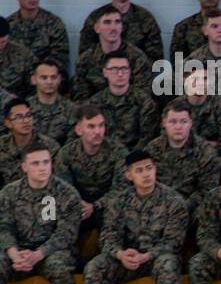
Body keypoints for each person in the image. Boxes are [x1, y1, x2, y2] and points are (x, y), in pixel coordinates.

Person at [76, 148, 188, 284]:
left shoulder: (174, 201)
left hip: (156, 257)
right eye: (139, 170)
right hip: (126, 259)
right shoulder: (118, 201)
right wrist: (120, 254)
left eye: (149, 168)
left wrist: (146, 256)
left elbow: (173, 241)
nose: (146, 174)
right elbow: (108, 236)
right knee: (95, 266)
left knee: (168, 264)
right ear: (128, 175)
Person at [0, 144, 82, 284]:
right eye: (35, 163)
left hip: (52, 252)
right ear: (24, 167)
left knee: (60, 266)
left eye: (46, 162)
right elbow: (3, 227)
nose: (42, 167)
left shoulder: (67, 194)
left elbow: (66, 234)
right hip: (18, 252)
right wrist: (14, 254)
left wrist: (38, 254)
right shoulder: (9, 193)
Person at [54, 103, 127, 232]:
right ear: (79, 130)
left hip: (108, 205)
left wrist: (95, 206)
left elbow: (121, 187)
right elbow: (63, 187)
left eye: (101, 125)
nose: (98, 131)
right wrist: (79, 204)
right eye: (91, 126)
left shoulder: (118, 151)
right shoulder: (66, 153)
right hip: (78, 206)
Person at [145, 99, 221, 214]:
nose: (178, 127)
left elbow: (207, 189)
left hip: (191, 209)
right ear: (164, 122)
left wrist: (180, 208)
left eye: (183, 121)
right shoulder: (152, 149)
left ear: (190, 123)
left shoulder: (205, 151)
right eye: (173, 122)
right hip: (157, 207)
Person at [77, 0, 163, 62]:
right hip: (102, 71)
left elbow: (156, 57)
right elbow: (85, 52)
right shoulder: (96, 17)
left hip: (138, 70)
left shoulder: (145, 18)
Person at [7, 0, 70, 79]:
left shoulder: (54, 23)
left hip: (46, 80)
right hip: (15, 81)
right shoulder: (8, 25)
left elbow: (60, 58)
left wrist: (37, 75)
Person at [1, 96, 60, 185]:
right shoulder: (2, 145)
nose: (26, 121)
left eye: (28, 116)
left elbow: (56, 181)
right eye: (19, 117)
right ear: (8, 123)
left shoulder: (50, 146)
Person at [27, 59, 78, 145]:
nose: (49, 82)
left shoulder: (72, 109)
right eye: (44, 77)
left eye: (53, 77)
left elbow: (72, 144)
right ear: (33, 80)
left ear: (59, 79)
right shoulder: (25, 109)